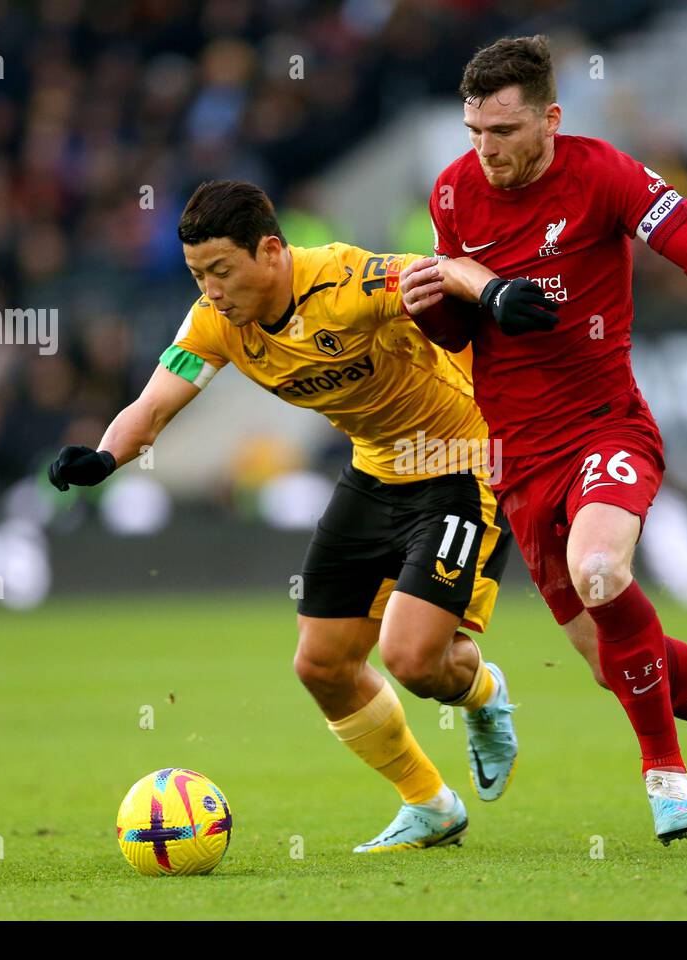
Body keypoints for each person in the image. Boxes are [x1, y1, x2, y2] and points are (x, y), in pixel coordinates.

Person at [401, 36, 687, 845]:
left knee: (600, 569)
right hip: (518, 461)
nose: (486, 150)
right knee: (616, 665)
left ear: (551, 120)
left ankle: (664, 776)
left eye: (503, 130)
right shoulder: (453, 194)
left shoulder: (602, 174)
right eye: (474, 131)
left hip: (607, 426)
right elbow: (458, 323)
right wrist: (437, 306)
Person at [49, 181, 518, 852]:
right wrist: (103, 458)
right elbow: (151, 408)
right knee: (321, 665)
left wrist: (498, 294)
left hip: (457, 465)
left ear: (270, 250)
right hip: (375, 472)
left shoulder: (344, 279)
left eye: (221, 270)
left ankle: (484, 694)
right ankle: (431, 805)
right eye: (198, 274)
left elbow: (439, 272)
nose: (210, 288)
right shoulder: (214, 321)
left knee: (414, 660)